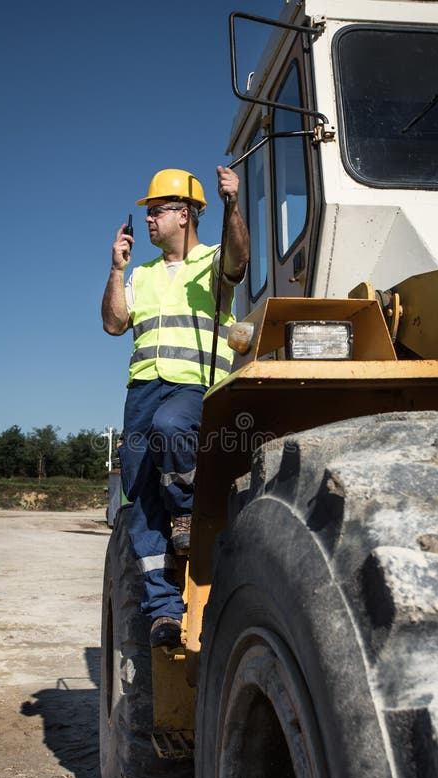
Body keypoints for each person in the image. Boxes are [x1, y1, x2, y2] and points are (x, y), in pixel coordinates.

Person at [102, 166, 249, 648]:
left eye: (156, 210)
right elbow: (113, 323)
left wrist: (232, 206)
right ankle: (164, 611)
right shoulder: (141, 275)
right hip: (142, 391)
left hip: (194, 389)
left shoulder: (210, 261)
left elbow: (238, 261)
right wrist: (118, 268)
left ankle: (186, 513)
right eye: (147, 212)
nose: (148, 219)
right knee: (138, 496)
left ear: (183, 216)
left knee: (171, 426)